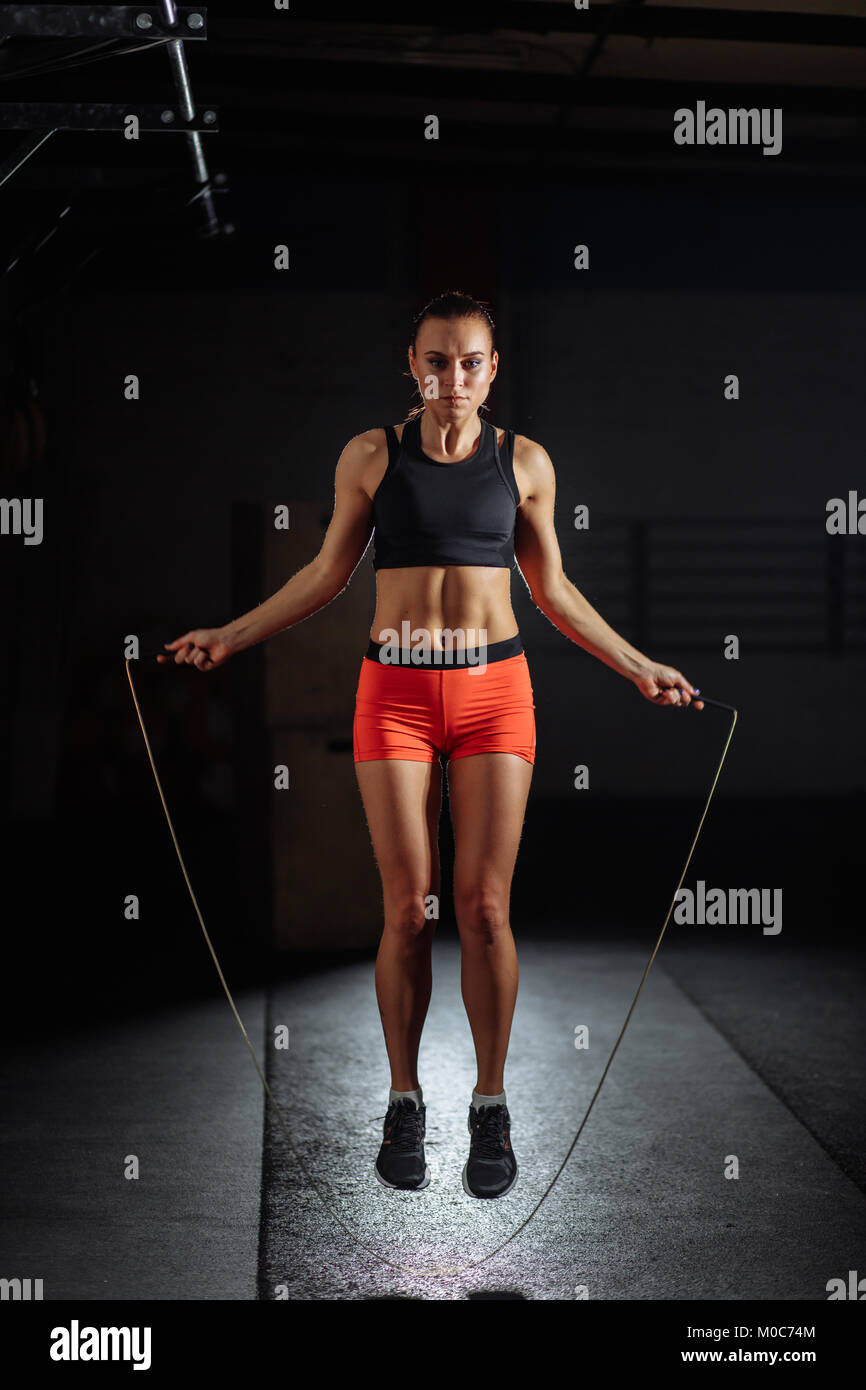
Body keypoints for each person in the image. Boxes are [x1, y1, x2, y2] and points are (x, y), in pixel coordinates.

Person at [159, 290, 703, 1201]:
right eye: (437, 361)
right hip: (397, 695)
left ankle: (489, 1107)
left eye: (471, 362)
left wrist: (639, 665)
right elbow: (325, 575)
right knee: (410, 909)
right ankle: (404, 1099)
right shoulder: (372, 455)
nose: (454, 377)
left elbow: (555, 594)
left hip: (497, 695)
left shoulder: (522, 462)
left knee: (484, 908)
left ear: (494, 370)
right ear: (411, 366)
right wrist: (229, 635)